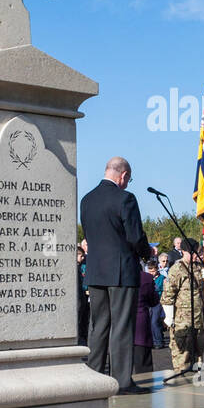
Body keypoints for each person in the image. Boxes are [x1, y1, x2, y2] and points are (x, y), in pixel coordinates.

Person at [80, 156, 150, 394]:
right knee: (121, 326)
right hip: (121, 271)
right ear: (124, 175)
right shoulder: (125, 199)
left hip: (95, 271)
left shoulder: (87, 200)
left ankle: (94, 374)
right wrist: (146, 251)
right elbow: (134, 236)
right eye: (128, 179)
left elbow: (91, 235)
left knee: (98, 325)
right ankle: (121, 381)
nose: (128, 184)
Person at [162, 238, 204, 373]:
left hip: (198, 320)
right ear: (184, 252)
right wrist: (169, 318)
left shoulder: (198, 268)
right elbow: (167, 296)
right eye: (193, 253)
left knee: (198, 357)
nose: (196, 256)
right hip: (182, 322)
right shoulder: (177, 269)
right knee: (182, 358)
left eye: (197, 253)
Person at [133, 259, 160, 374]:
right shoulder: (146, 278)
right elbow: (154, 301)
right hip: (140, 322)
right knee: (143, 365)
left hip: (119, 324)